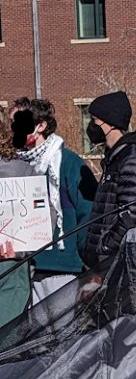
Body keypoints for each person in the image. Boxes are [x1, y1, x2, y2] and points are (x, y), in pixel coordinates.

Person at [12, 97, 97, 308]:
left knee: (63, 335)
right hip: (23, 269)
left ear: (41, 125)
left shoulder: (68, 163)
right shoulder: (13, 165)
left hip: (63, 267)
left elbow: (88, 214)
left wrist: (89, 263)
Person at [82, 91, 136, 282]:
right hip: (104, 263)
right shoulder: (113, 157)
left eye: (95, 120)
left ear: (109, 123)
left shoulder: (131, 156)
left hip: (118, 262)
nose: (92, 125)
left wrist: (106, 245)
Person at [0, 119, 36, 328]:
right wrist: (22, 249)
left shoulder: (23, 169)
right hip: (14, 260)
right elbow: (43, 216)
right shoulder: (23, 169)